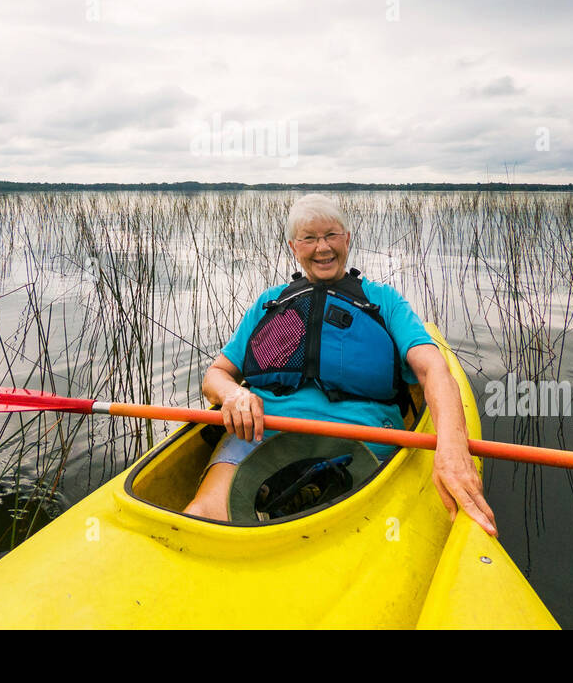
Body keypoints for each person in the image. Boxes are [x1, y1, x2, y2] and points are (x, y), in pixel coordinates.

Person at [183, 193, 497, 535]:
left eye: (331, 235)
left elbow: (433, 369)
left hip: (364, 440)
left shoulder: (384, 302)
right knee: (201, 517)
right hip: (261, 436)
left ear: (347, 239)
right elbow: (216, 374)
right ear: (294, 246)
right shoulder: (269, 304)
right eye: (309, 238)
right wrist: (233, 395)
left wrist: (452, 446)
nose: (322, 248)